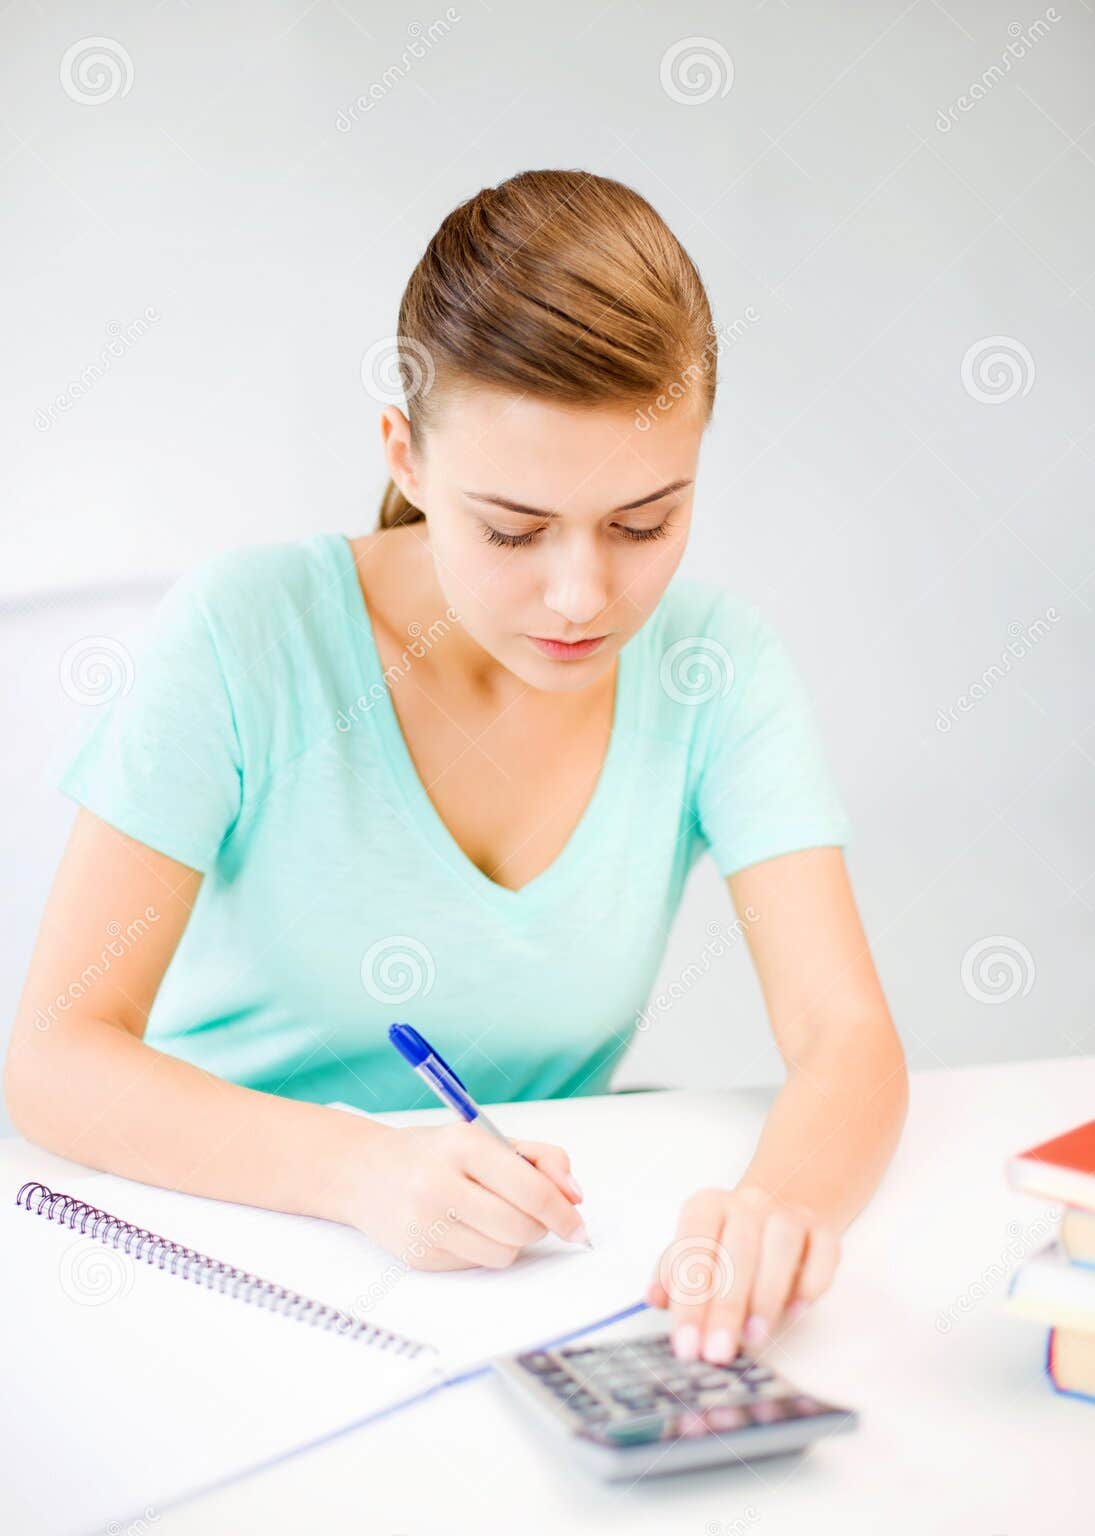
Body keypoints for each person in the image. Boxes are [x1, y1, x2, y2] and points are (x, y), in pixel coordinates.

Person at [3, 169, 906, 1366]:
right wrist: (361, 1170)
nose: (584, 598)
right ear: (407, 458)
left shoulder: (716, 669)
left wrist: (777, 1208)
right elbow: (55, 1060)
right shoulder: (245, 633)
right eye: (513, 529)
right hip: (209, 1263)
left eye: (644, 523)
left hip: (507, 1295)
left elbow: (848, 1034)